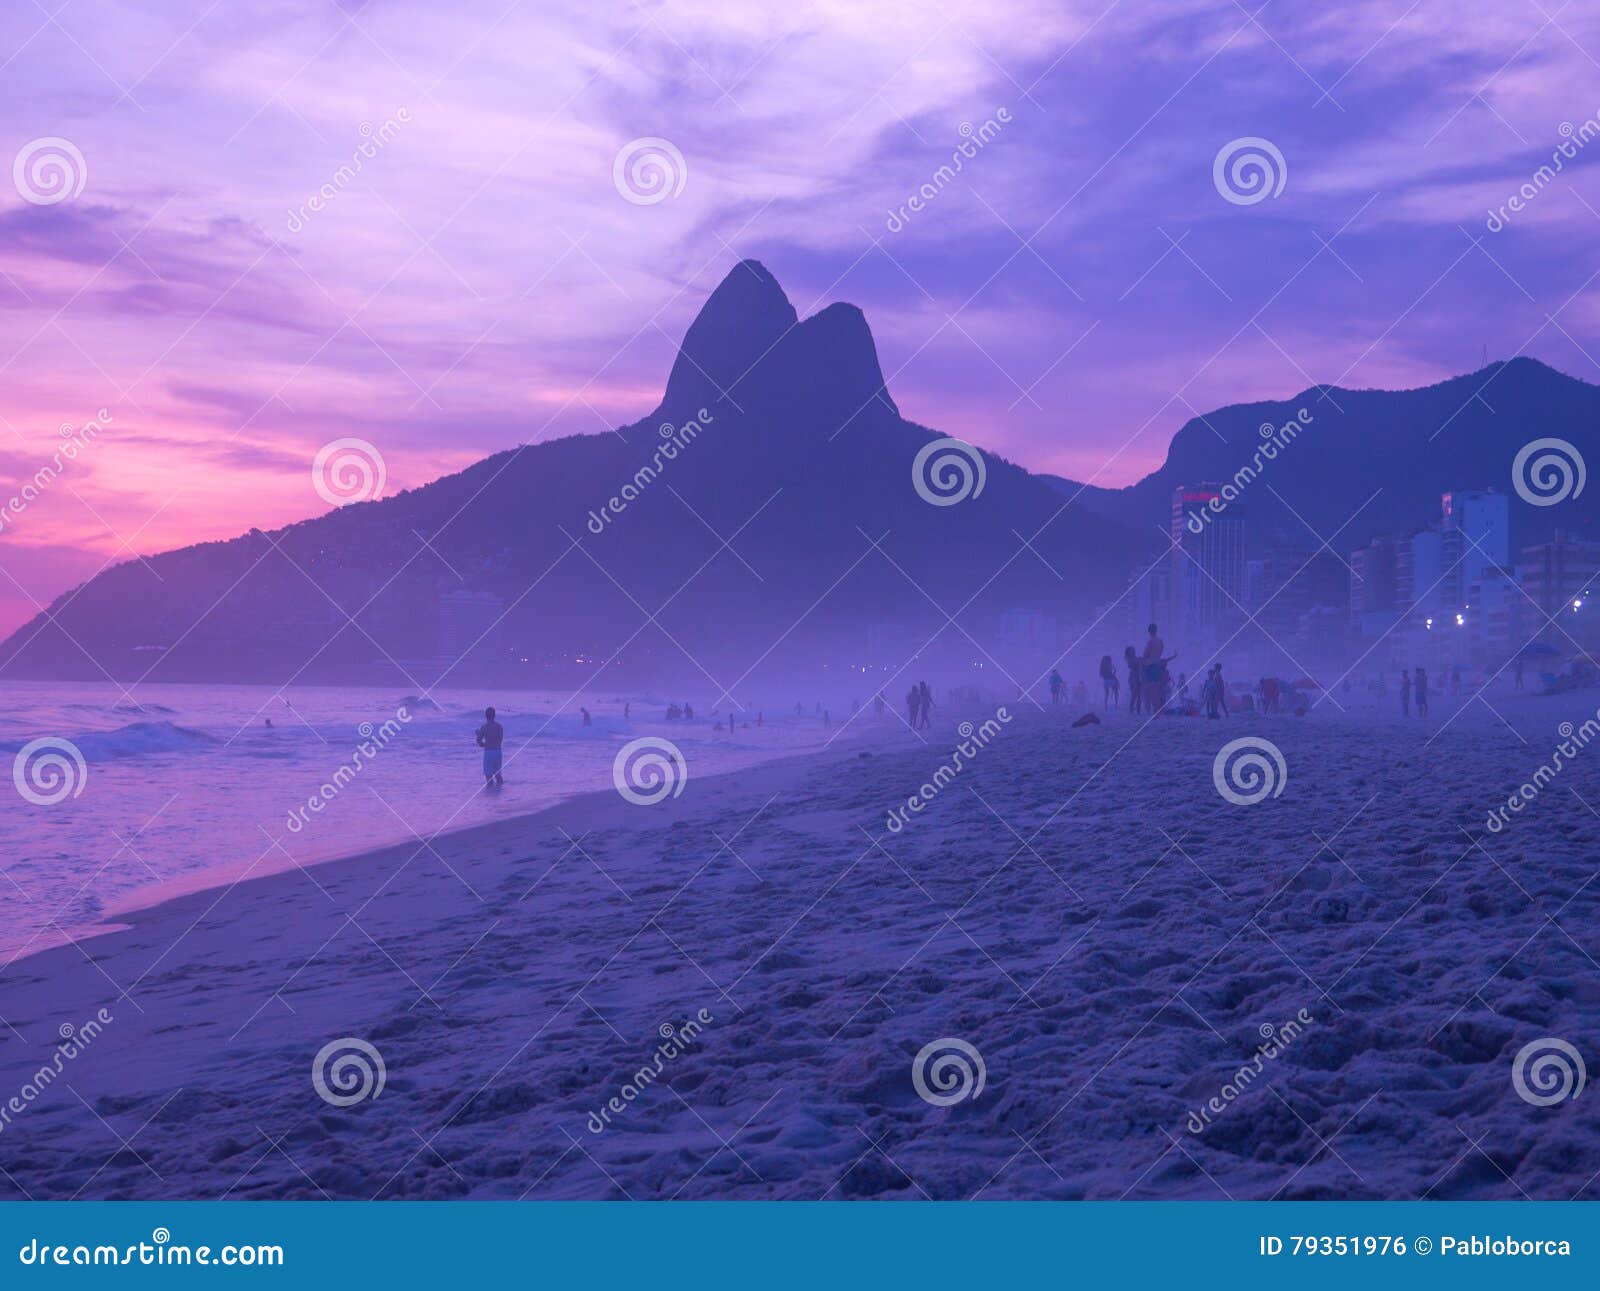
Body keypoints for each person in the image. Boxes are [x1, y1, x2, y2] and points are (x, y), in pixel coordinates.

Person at [475, 706, 504, 787]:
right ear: (494, 715)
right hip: (498, 752)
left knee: (489, 776)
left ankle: (490, 795)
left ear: (485, 715)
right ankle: (500, 792)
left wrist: (478, 734)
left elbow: (479, 742)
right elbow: (499, 740)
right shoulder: (499, 726)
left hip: (489, 752)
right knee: (498, 775)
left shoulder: (484, 727)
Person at [1125, 646, 1142, 714]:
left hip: (1138, 677)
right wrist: (1138, 661)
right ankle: (1132, 709)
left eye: (1133, 650)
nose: (1134, 651)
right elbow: (1131, 665)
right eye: (1132, 650)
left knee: (1139, 695)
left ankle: (1138, 710)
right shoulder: (1129, 659)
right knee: (1134, 695)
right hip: (1133, 678)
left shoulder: (1135, 658)